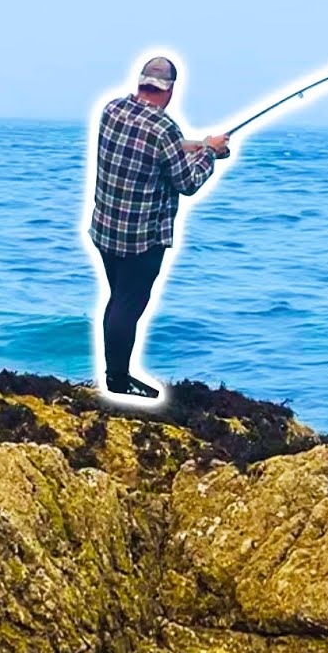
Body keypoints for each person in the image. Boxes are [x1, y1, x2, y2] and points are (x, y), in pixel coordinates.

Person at [88, 56, 230, 399]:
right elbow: (188, 181)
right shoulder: (163, 128)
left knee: (117, 300)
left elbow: (151, 147)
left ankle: (116, 375)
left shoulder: (112, 110)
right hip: (142, 238)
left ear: (141, 84)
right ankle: (118, 383)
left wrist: (196, 144)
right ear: (169, 91)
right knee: (128, 305)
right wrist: (210, 154)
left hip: (106, 228)